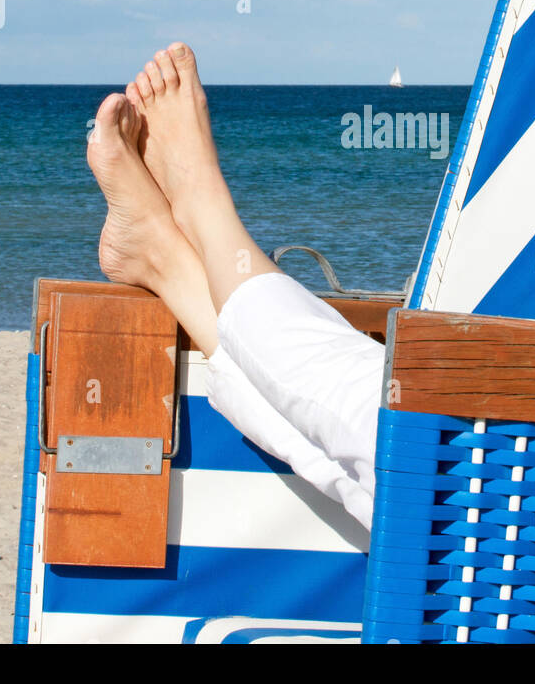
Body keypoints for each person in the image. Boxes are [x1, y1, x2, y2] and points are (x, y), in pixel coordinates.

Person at [86, 42, 384, 528]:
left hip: (488, 527)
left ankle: (192, 212)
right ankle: (164, 255)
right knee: (370, 462)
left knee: (386, 414)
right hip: (481, 559)